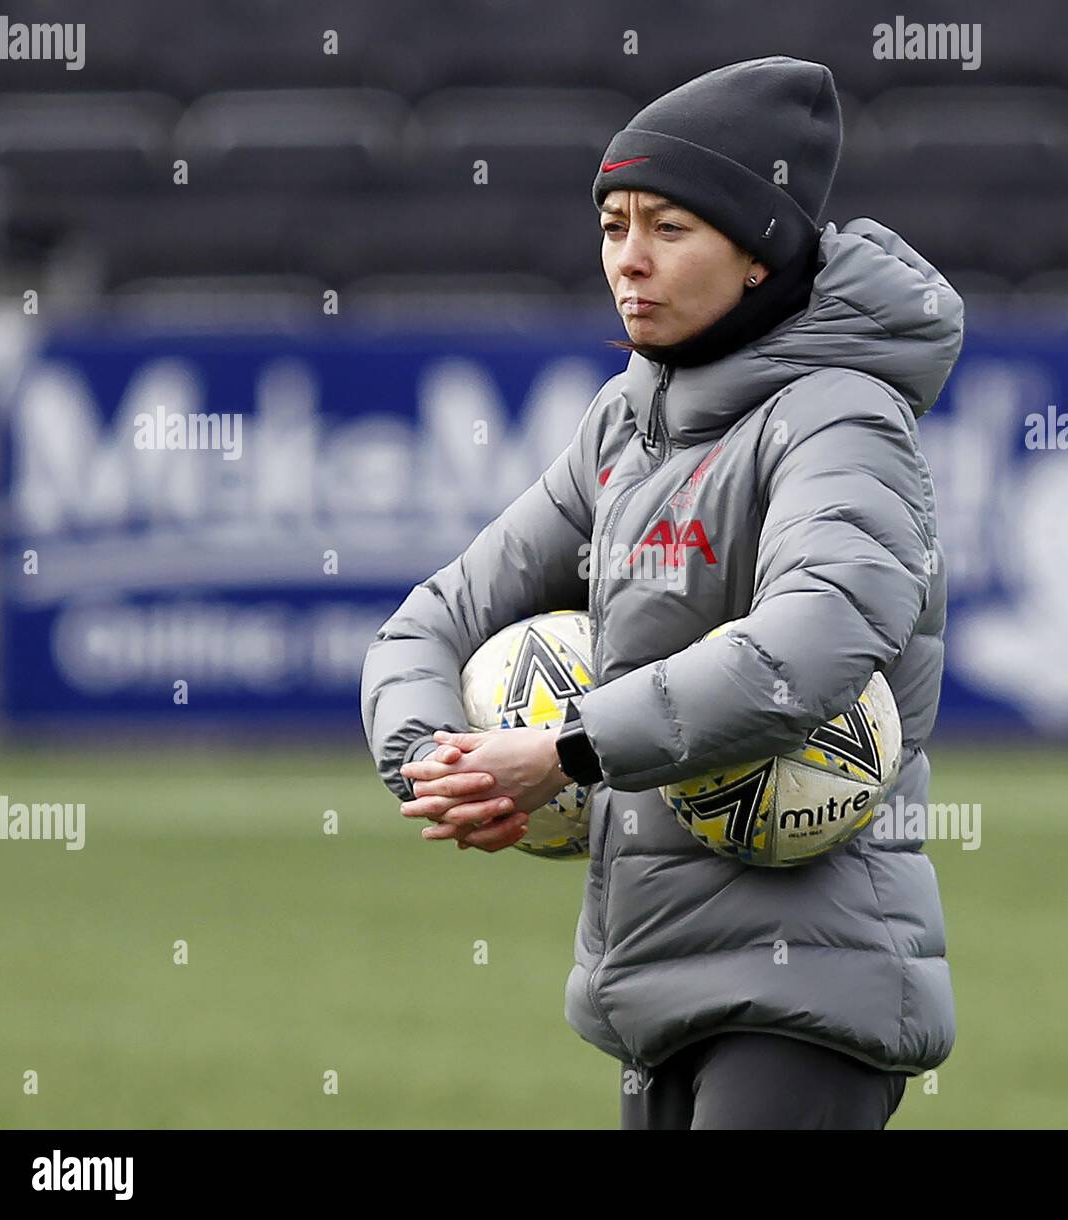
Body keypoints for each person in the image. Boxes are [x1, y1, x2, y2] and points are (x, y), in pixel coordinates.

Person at [360, 55, 964, 1130]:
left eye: (668, 228)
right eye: (611, 225)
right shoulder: (628, 423)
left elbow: (817, 635)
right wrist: (434, 760)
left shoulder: (839, 417)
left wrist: (562, 750)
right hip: (652, 988)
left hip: (807, 995)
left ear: (758, 253)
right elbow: (437, 615)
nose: (627, 260)